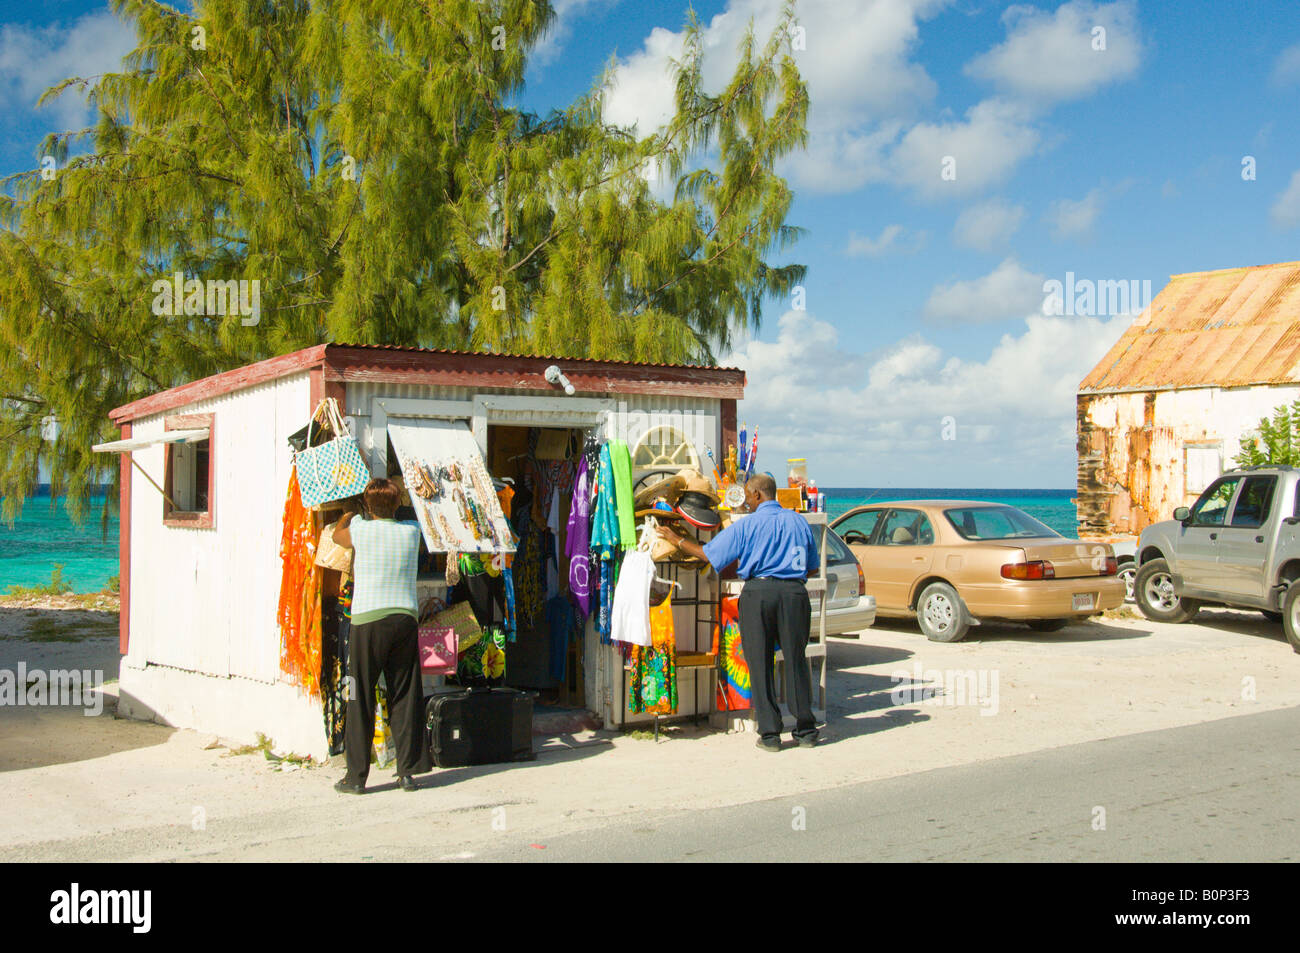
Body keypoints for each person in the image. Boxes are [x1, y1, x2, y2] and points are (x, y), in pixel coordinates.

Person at [657, 473, 820, 751]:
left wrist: (676, 539)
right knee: (795, 660)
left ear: (757, 495)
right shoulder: (798, 521)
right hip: (794, 594)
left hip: (759, 593)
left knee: (759, 662)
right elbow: (813, 567)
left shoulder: (748, 525)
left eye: (747, 495)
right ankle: (805, 730)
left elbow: (710, 554)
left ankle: (770, 735)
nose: (746, 500)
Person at [331, 478, 427, 793]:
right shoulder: (412, 532)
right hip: (403, 619)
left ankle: (355, 777)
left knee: (358, 694)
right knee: (405, 695)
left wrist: (348, 513)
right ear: (396, 504)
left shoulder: (358, 528)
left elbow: (337, 536)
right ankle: (407, 773)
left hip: (367, 622)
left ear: (368, 506)